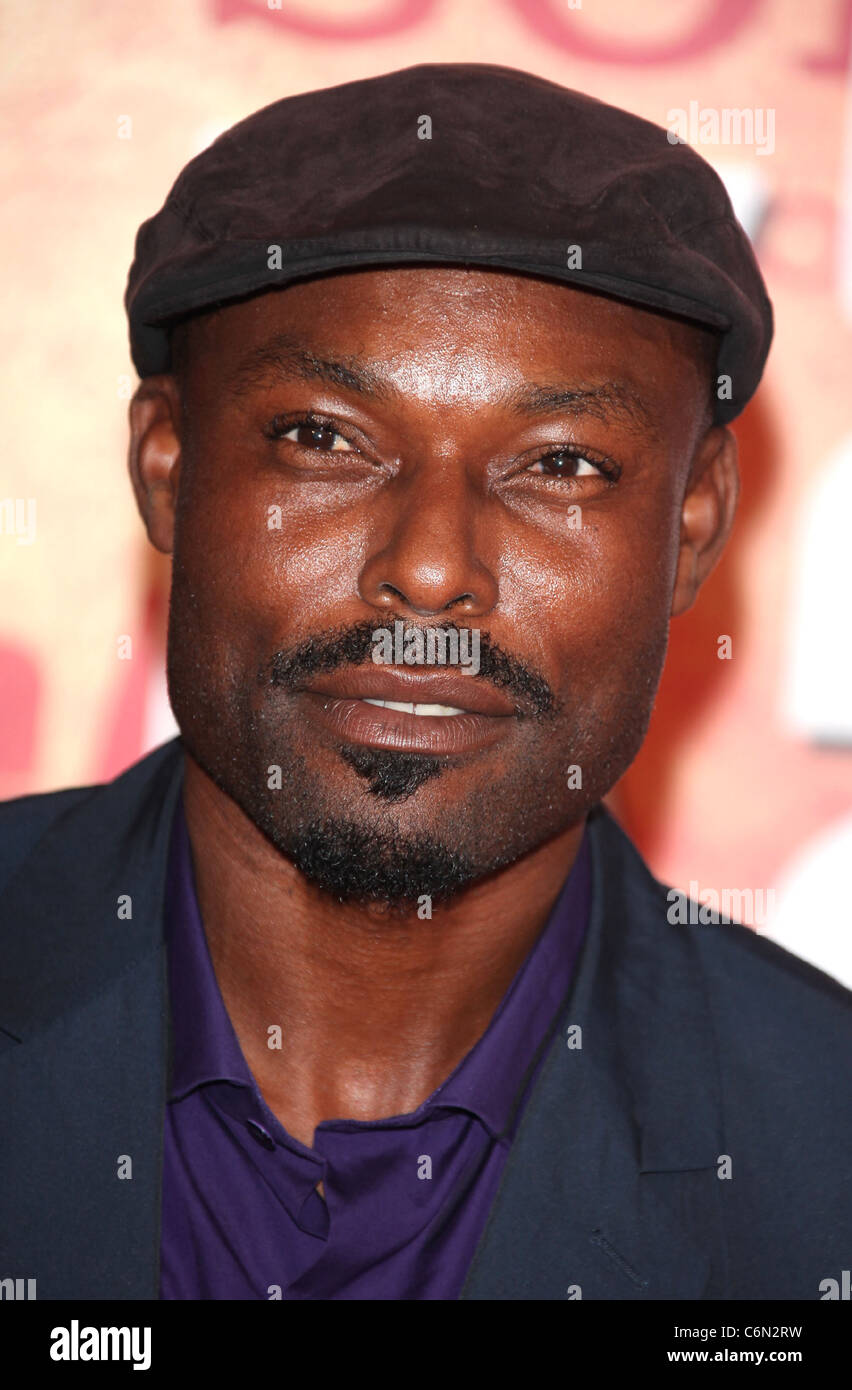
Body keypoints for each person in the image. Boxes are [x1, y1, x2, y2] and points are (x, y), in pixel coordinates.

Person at [1, 63, 849, 1302]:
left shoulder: (821, 1167)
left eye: (560, 463)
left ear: (695, 528)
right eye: (325, 438)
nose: (433, 570)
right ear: (168, 470)